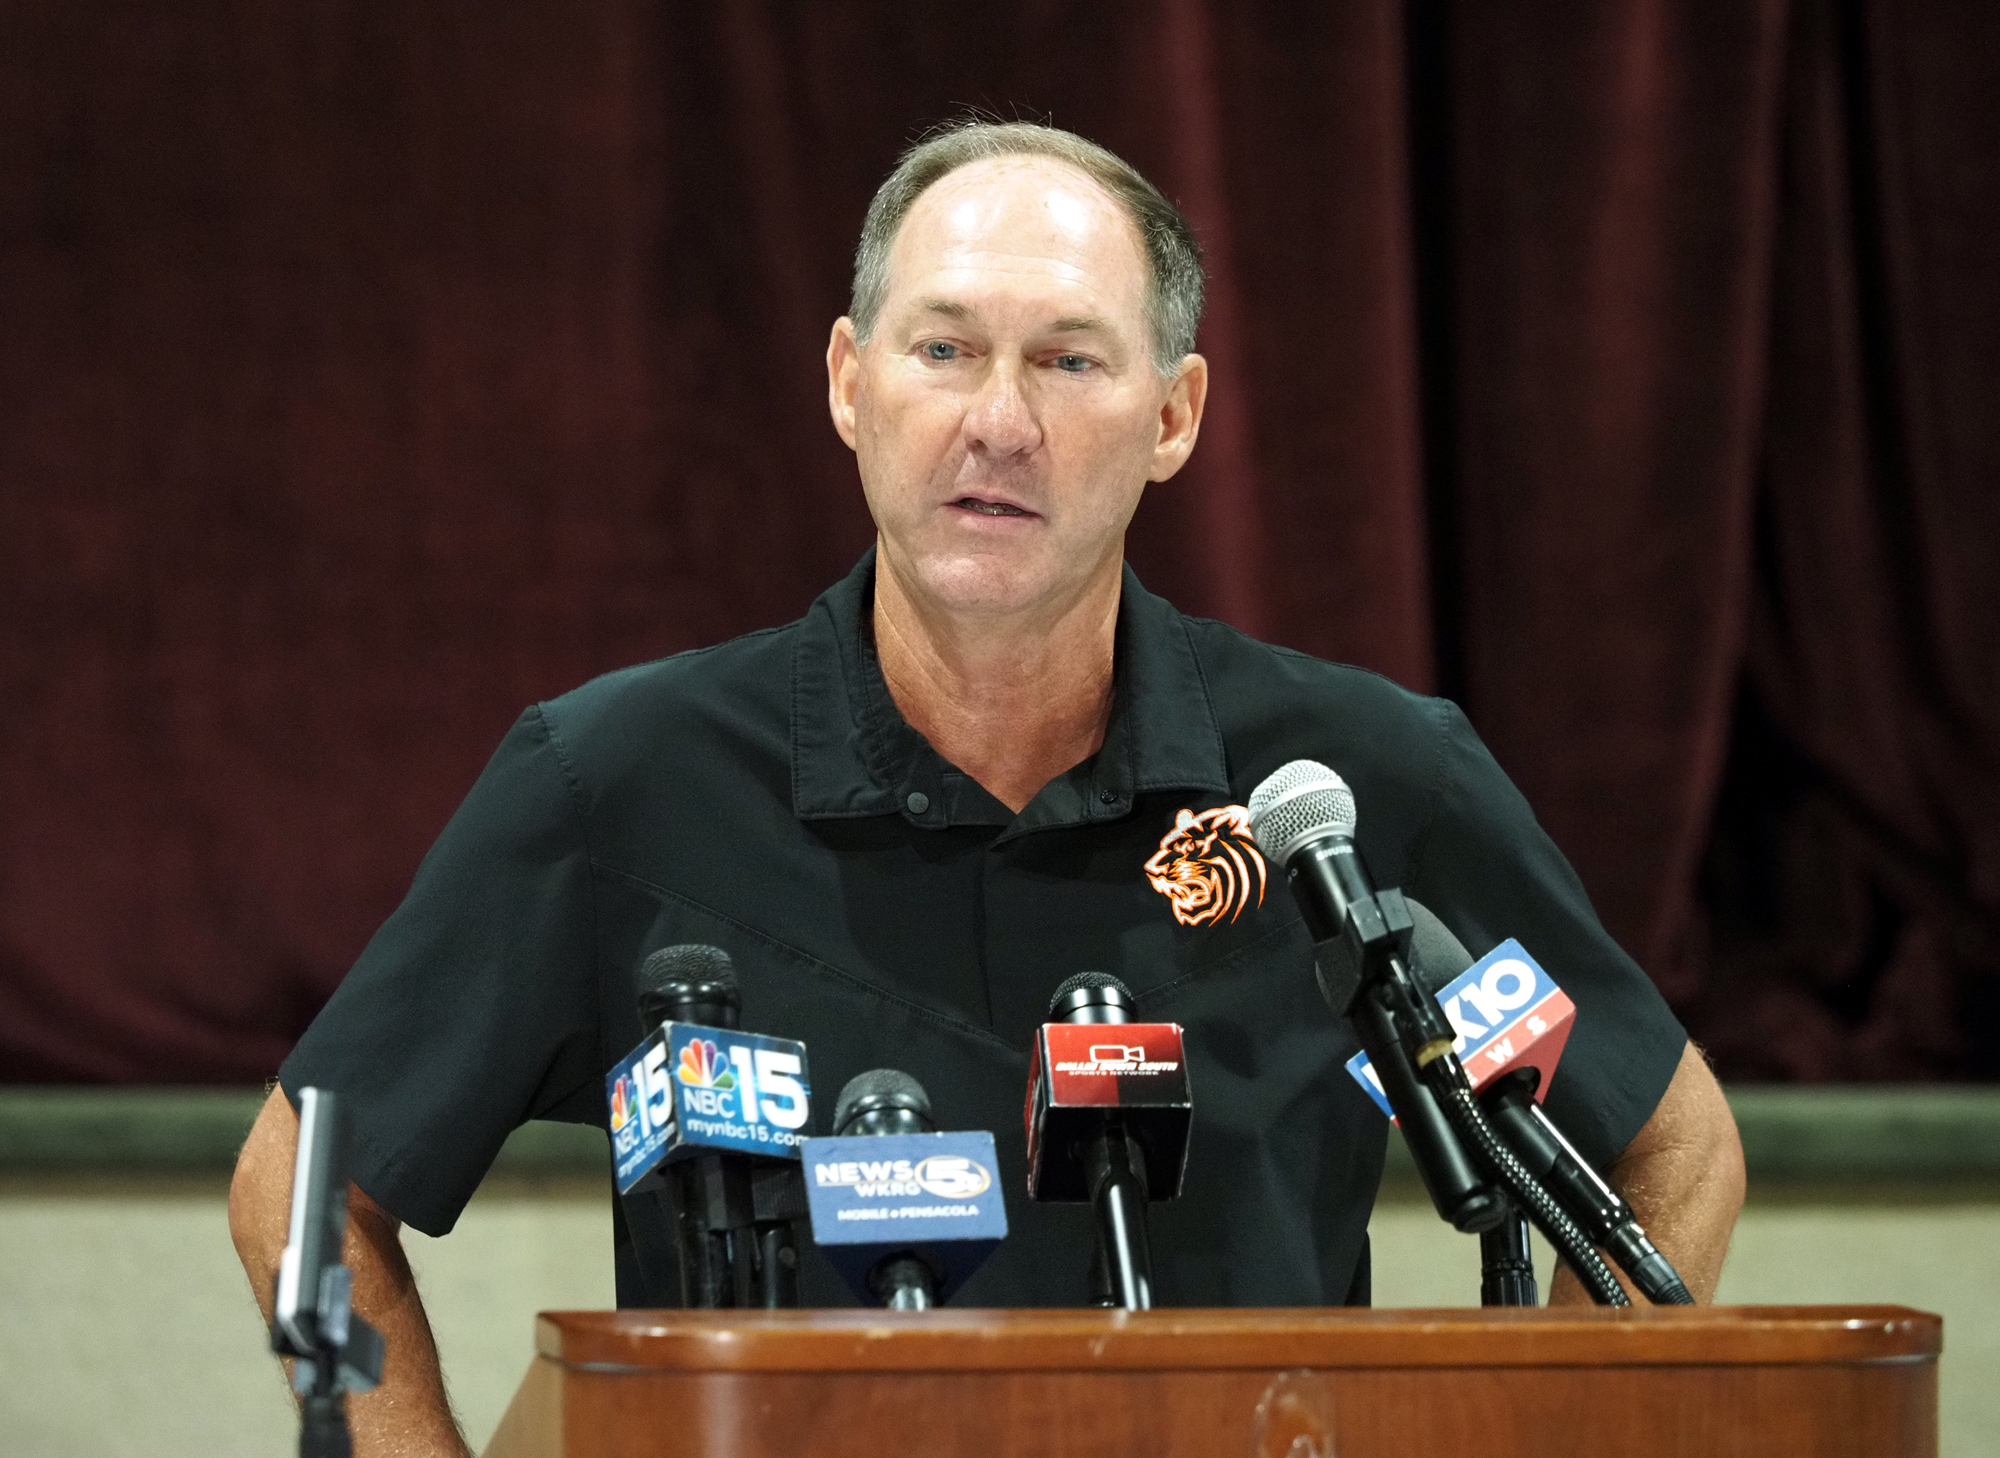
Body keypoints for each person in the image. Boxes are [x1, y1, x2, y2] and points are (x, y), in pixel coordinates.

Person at [230, 120, 1745, 1456]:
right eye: (944, 347)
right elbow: (306, 1178)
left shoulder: (1345, 794)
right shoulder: (622, 778)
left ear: (1174, 415)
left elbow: (1671, 1144)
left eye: (1069, 358)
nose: (998, 420)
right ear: (847, 381)